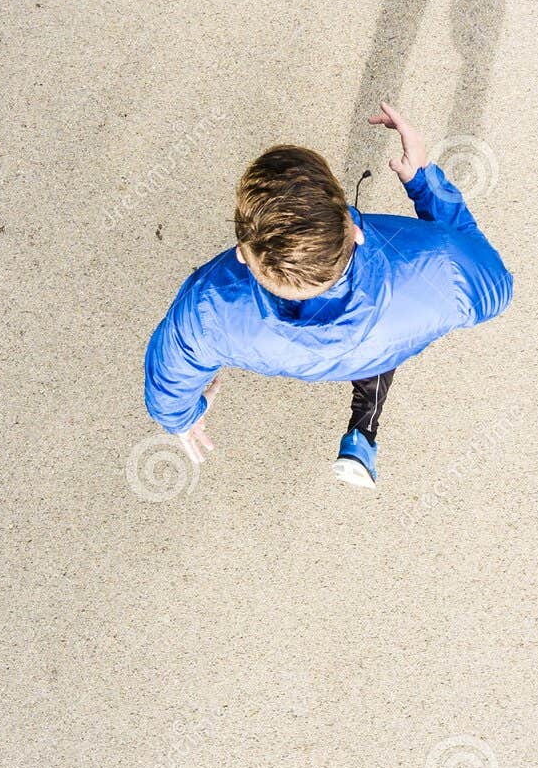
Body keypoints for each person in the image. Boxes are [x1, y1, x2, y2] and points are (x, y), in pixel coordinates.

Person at [142, 105, 513, 488]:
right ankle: (362, 434)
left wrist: (180, 417)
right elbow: (497, 287)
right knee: (379, 341)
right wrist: (422, 181)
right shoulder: (443, 272)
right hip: (383, 336)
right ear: (355, 230)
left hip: (329, 354)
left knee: (374, 345)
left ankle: (363, 434)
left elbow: (172, 368)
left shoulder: (207, 312)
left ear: (241, 255)